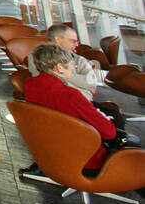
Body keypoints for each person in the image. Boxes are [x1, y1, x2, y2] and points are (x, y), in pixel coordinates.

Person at [25, 44, 135, 173]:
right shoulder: (70, 95)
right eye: (71, 65)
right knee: (133, 146)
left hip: (53, 152)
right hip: (85, 160)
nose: (73, 68)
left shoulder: (30, 85)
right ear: (59, 67)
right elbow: (109, 132)